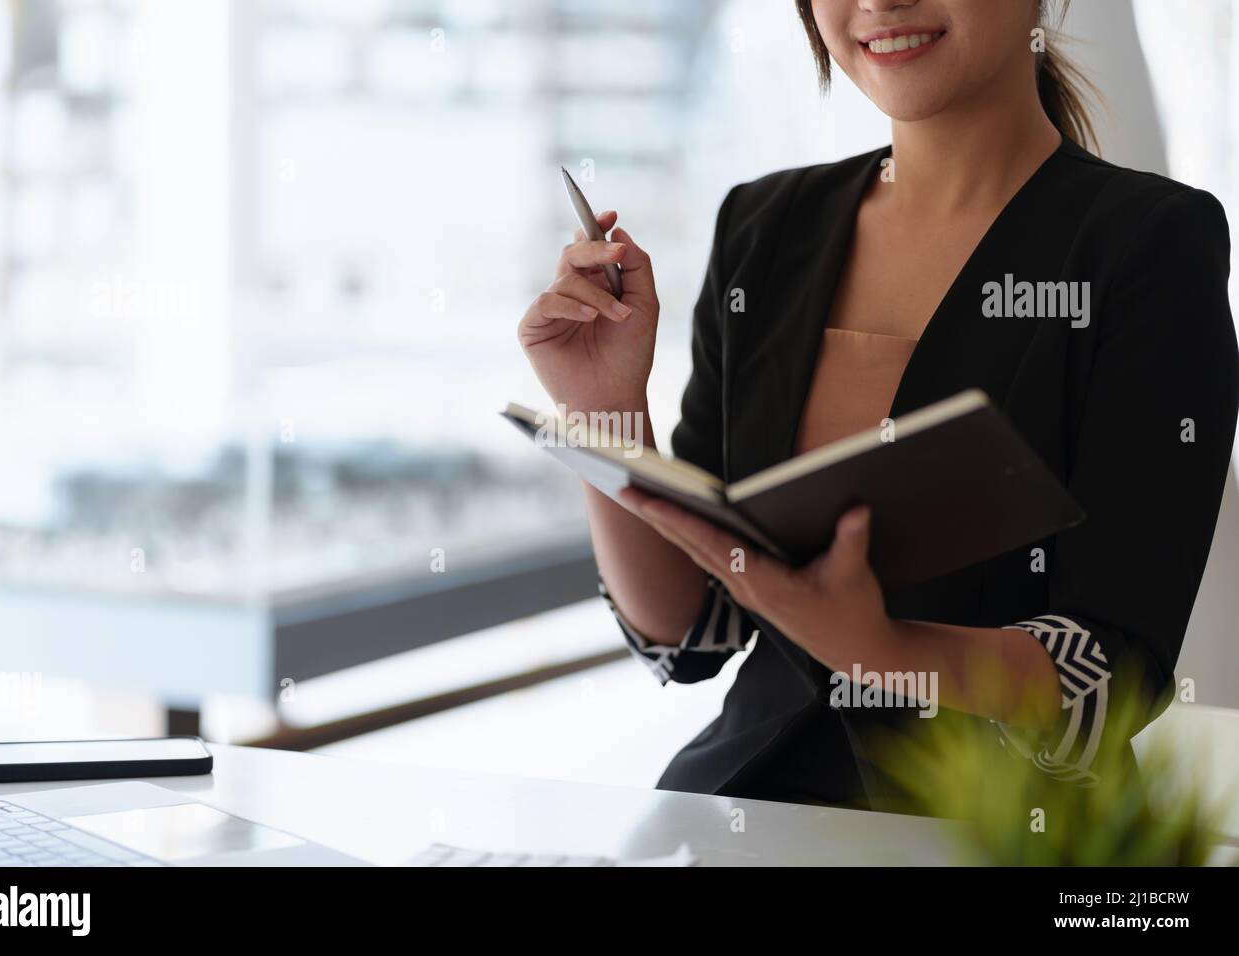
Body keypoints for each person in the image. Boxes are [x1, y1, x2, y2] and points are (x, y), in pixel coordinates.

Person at [517, 0, 1239, 807]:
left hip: (996, 834)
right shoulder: (762, 227)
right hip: (743, 814)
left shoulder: (1151, 246)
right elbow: (689, 635)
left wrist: (881, 648)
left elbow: (1113, 676)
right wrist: (605, 411)